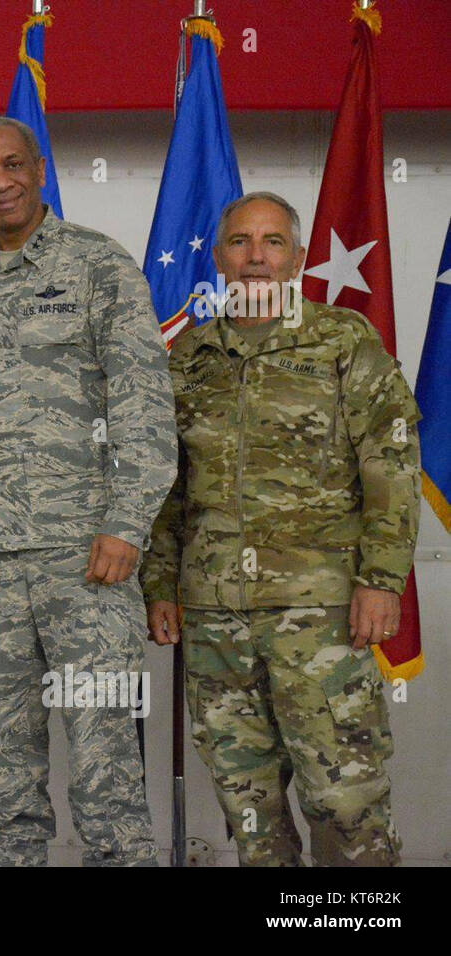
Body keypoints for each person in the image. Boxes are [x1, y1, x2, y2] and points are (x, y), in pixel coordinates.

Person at [140, 192, 420, 867]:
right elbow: (164, 486)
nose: (256, 256)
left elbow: (390, 460)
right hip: (216, 623)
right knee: (250, 812)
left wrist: (381, 579)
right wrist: (159, 584)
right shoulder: (189, 358)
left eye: (272, 242)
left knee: (346, 803)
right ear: (219, 256)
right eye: (240, 242)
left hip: (320, 614)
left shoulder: (341, 340)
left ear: (296, 258)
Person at [0, 117, 177, 866]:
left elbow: (144, 403)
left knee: (103, 758)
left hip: (86, 554)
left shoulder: (98, 264)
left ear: (39, 169)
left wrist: (128, 524)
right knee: (4, 763)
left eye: (12, 165)